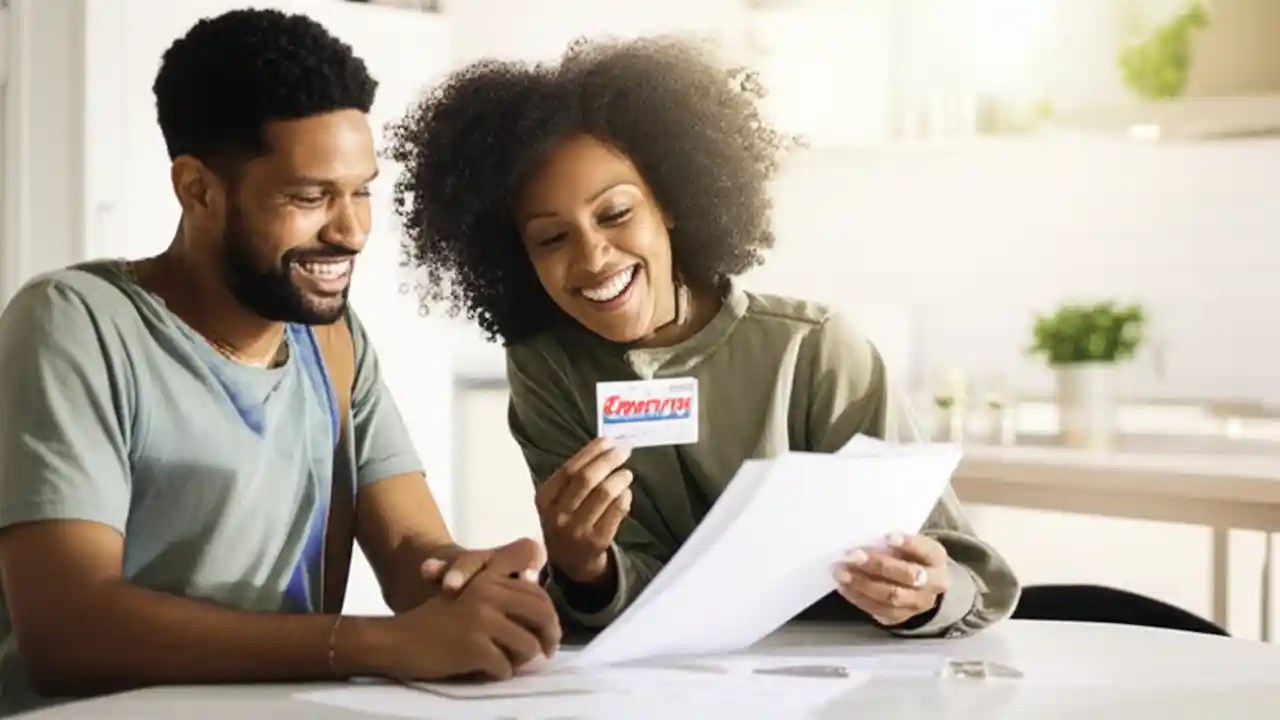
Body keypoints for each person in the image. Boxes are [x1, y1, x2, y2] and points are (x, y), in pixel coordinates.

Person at [0, 9, 558, 715]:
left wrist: (474, 587)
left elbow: (415, 551)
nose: (352, 230)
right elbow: (68, 632)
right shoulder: (75, 323)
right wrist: (373, 644)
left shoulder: (332, 342)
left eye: (361, 191)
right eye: (309, 196)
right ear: (197, 190)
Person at [388, 36, 1020, 638]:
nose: (593, 257)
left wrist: (926, 592)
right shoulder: (548, 368)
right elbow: (631, 585)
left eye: (615, 213)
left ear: (669, 202)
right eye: (552, 238)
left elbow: (971, 575)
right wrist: (586, 570)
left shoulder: (815, 349)